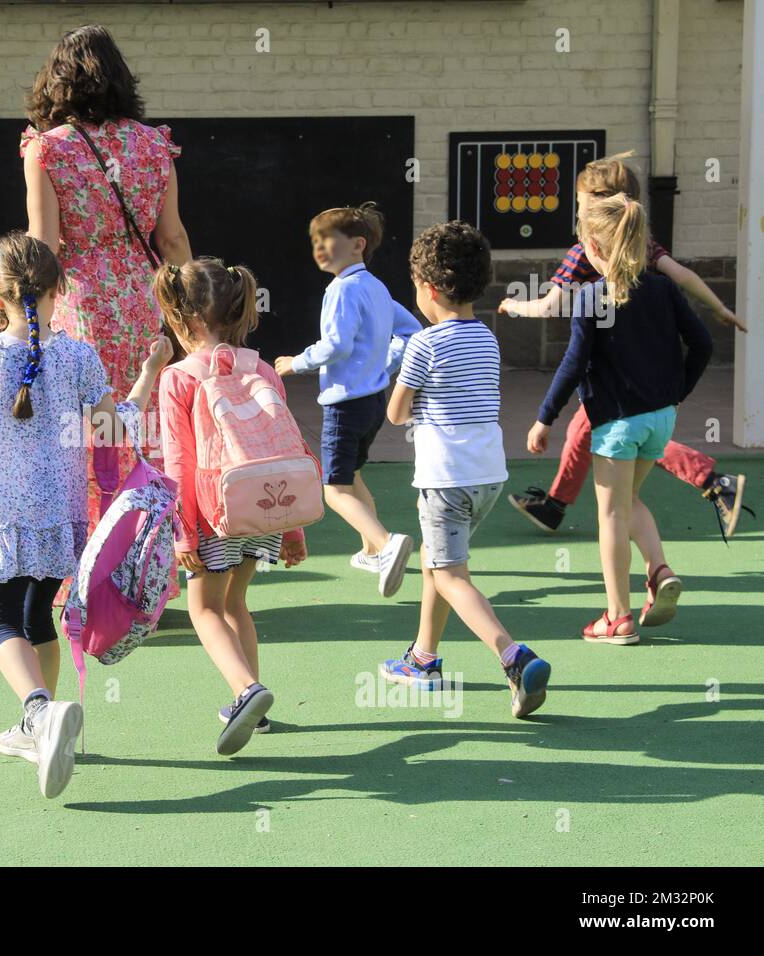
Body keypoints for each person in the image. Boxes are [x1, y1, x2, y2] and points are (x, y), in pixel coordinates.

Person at [0, 231, 171, 798]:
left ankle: (39, 711)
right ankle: (41, 728)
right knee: (37, 616)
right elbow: (111, 428)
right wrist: (148, 376)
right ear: (58, 292)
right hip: (58, 519)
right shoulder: (78, 357)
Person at [21, 24, 191, 595]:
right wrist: (188, 313)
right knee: (147, 435)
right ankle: (149, 575)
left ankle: (90, 580)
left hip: (82, 307)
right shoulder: (154, 145)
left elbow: (43, 246)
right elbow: (171, 241)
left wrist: (25, 319)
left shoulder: (48, 149)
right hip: (146, 302)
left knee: (88, 441)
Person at [499, 151, 747, 538]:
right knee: (589, 430)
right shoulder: (643, 244)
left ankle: (713, 480)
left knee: (626, 433)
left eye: (580, 203)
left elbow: (550, 306)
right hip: (646, 365)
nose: (578, 212)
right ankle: (555, 505)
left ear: (599, 206)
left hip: (610, 372)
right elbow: (683, 277)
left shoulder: (586, 250)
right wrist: (719, 307)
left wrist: (514, 305)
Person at [383, 222, 550, 719]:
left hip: (444, 480)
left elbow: (396, 413)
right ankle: (422, 659)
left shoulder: (424, 344)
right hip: (488, 477)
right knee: (441, 566)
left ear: (428, 290)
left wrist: (399, 366)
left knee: (451, 574)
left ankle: (514, 656)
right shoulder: (486, 338)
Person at [530, 194, 712, 644]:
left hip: (617, 423)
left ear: (592, 245)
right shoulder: (663, 287)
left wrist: (544, 418)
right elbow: (703, 343)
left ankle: (618, 617)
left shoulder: (592, 296)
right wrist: (676, 395)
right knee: (629, 500)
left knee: (610, 513)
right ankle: (659, 570)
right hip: (660, 420)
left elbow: (573, 364)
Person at [156, 257, 308, 755]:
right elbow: (288, 446)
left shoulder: (179, 377)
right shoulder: (262, 367)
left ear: (181, 317)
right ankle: (253, 706)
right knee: (236, 602)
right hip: (264, 502)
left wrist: (183, 532)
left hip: (211, 512)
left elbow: (178, 462)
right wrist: (293, 527)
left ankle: (246, 691)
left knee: (203, 607)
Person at [274, 203, 421, 597]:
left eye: (329, 241)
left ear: (358, 244)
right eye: (315, 241)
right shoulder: (375, 287)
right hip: (372, 401)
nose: (320, 249)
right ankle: (372, 550)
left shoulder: (342, 289)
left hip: (345, 405)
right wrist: (382, 366)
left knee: (334, 489)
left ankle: (387, 544)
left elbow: (336, 345)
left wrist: (295, 363)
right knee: (351, 476)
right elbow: (412, 331)